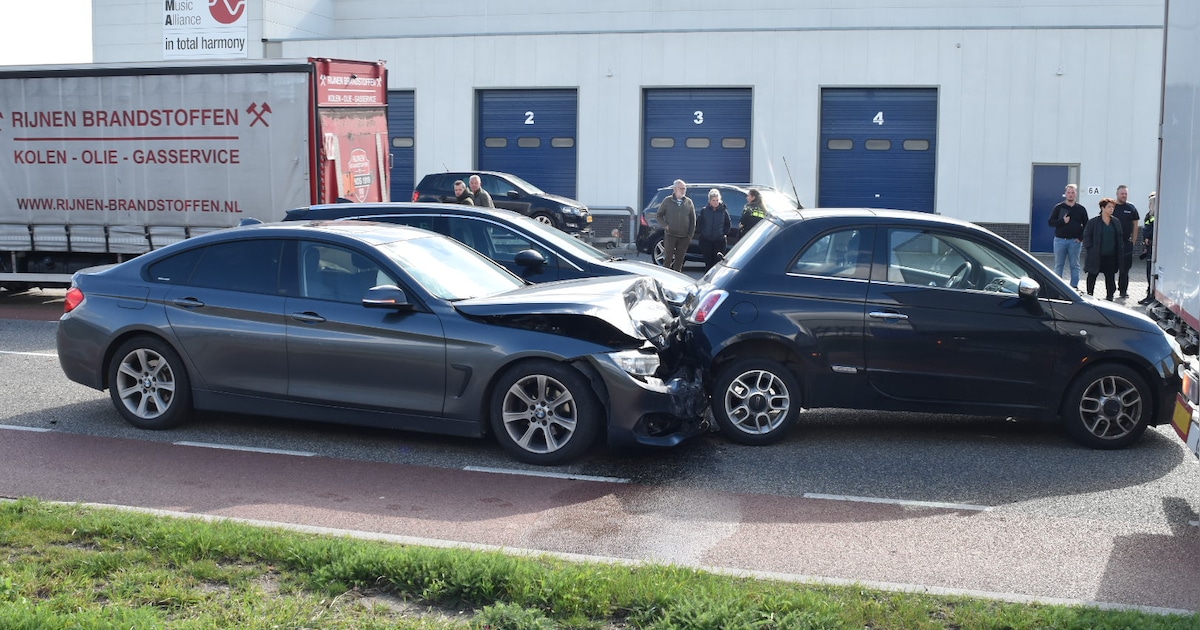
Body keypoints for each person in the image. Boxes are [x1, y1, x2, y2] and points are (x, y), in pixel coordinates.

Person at [1081, 197, 1125, 301]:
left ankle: (1110, 296)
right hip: (1096, 255)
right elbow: (1086, 236)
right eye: (1109, 207)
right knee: (1092, 275)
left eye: (1113, 207)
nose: (1111, 209)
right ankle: (1089, 295)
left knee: (1110, 277)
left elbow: (1119, 237)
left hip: (1111, 256)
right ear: (1102, 208)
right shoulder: (1094, 222)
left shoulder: (1115, 222)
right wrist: (1090, 248)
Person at [1047, 184, 1087, 290]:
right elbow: (1050, 222)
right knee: (1058, 265)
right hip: (1060, 241)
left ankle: (1074, 287)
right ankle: (1057, 287)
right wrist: (1062, 221)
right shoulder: (1059, 207)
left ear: (1076, 194)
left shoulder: (1081, 209)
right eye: (1069, 192)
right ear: (1065, 194)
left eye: (1073, 192)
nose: (1070, 195)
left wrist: (1081, 238)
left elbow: (1087, 225)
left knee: (1075, 265)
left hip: (1075, 242)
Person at [657, 179, 696, 271]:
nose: (683, 191)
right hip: (670, 235)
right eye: (681, 188)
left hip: (684, 236)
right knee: (668, 259)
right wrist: (665, 226)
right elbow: (659, 215)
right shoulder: (667, 201)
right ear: (675, 189)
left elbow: (693, 220)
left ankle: (676, 279)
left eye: (685, 189)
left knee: (679, 261)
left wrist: (690, 235)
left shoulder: (688, 202)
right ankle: (665, 277)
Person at [1112, 184, 1140, 299]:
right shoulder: (1111, 206)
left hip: (1126, 243)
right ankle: (1110, 291)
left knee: (1125, 269)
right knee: (1111, 269)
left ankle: (1123, 290)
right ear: (1117, 194)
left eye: (1126, 194)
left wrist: (1133, 241)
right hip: (1112, 243)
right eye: (1122, 193)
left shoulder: (1131, 208)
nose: (1124, 196)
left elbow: (1135, 225)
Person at [696, 188, 731, 270]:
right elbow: (699, 224)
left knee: (717, 262)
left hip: (719, 241)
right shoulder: (704, 211)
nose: (715, 202)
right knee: (708, 262)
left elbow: (728, 224)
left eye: (717, 200)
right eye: (713, 200)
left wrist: (723, 233)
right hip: (706, 241)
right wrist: (703, 233)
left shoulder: (723, 211)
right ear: (709, 201)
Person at [1138, 191, 1157, 304]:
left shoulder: (1156, 216)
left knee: (1151, 271)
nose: (1148, 205)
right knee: (1148, 271)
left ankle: (1151, 294)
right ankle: (1149, 293)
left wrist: (1148, 236)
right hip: (1149, 247)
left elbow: (1153, 228)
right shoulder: (1149, 215)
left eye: (1150, 203)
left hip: (1153, 247)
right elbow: (1146, 228)